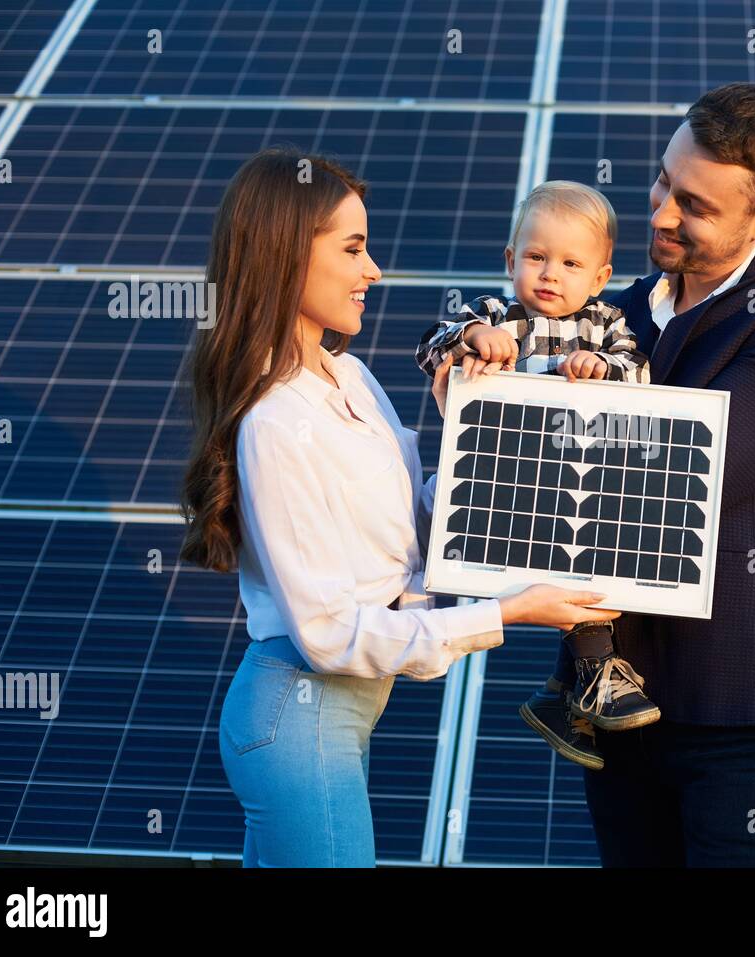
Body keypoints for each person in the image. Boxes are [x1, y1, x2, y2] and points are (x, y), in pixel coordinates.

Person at [177, 146, 619, 867]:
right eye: (353, 248)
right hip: (298, 712)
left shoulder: (347, 376)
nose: (373, 270)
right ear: (287, 256)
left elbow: (419, 521)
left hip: (336, 716)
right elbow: (326, 633)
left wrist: (474, 422)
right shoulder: (275, 422)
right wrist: (508, 612)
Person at [539, 83, 755, 866]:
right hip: (614, 702)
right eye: (661, 180)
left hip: (738, 707)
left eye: (694, 205)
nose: (658, 213)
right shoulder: (616, 312)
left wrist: (551, 431)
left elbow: (689, 471)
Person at [415, 181, 659, 771]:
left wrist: (600, 365)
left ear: (599, 278)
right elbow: (430, 346)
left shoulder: (606, 324)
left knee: (594, 569)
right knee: (559, 577)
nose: (550, 274)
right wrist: (472, 337)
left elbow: (637, 372)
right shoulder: (500, 317)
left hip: (584, 472)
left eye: (570, 263)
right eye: (535, 257)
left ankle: (572, 698)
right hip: (511, 477)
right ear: (510, 260)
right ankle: (586, 682)